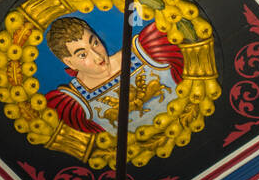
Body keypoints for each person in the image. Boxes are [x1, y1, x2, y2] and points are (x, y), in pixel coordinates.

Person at [43, 15, 183, 134]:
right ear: (69, 63)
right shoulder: (73, 104)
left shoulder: (148, 50)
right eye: (83, 55)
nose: (98, 57)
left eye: (95, 43)